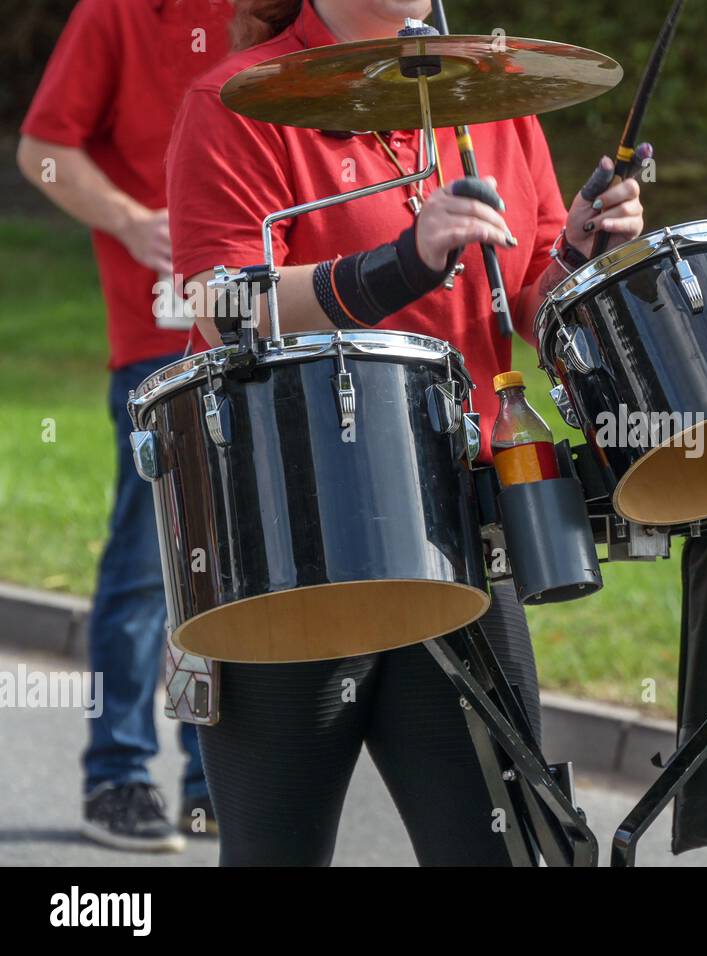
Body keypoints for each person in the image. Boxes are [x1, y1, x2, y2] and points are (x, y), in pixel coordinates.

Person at [165, 0, 644, 865]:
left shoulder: (493, 91)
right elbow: (219, 306)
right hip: (291, 535)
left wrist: (579, 256)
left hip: (464, 522)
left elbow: (526, 288)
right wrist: (399, 265)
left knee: (498, 849)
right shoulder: (235, 96)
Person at [16, 0, 232, 852]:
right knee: (150, 569)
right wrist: (135, 221)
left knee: (241, 574)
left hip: (267, 327)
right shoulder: (116, 12)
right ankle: (117, 776)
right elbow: (41, 154)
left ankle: (212, 780)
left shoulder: (285, 16)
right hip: (156, 334)